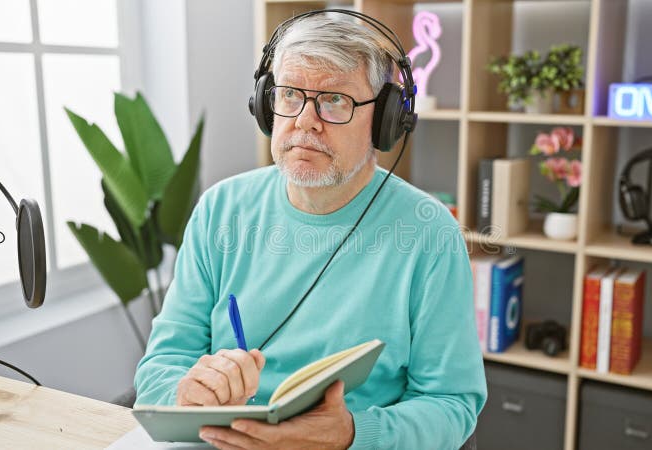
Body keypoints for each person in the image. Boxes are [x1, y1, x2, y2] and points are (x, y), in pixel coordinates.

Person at [134, 12, 487, 450]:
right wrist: (184, 393)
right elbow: (160, 366)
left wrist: (354, 434)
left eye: (334, 100)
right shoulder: (219, 210)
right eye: (289, 95)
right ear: (267, 104)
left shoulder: (429, 233)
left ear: (385, 121)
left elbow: (452, 403)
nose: (305, 121)